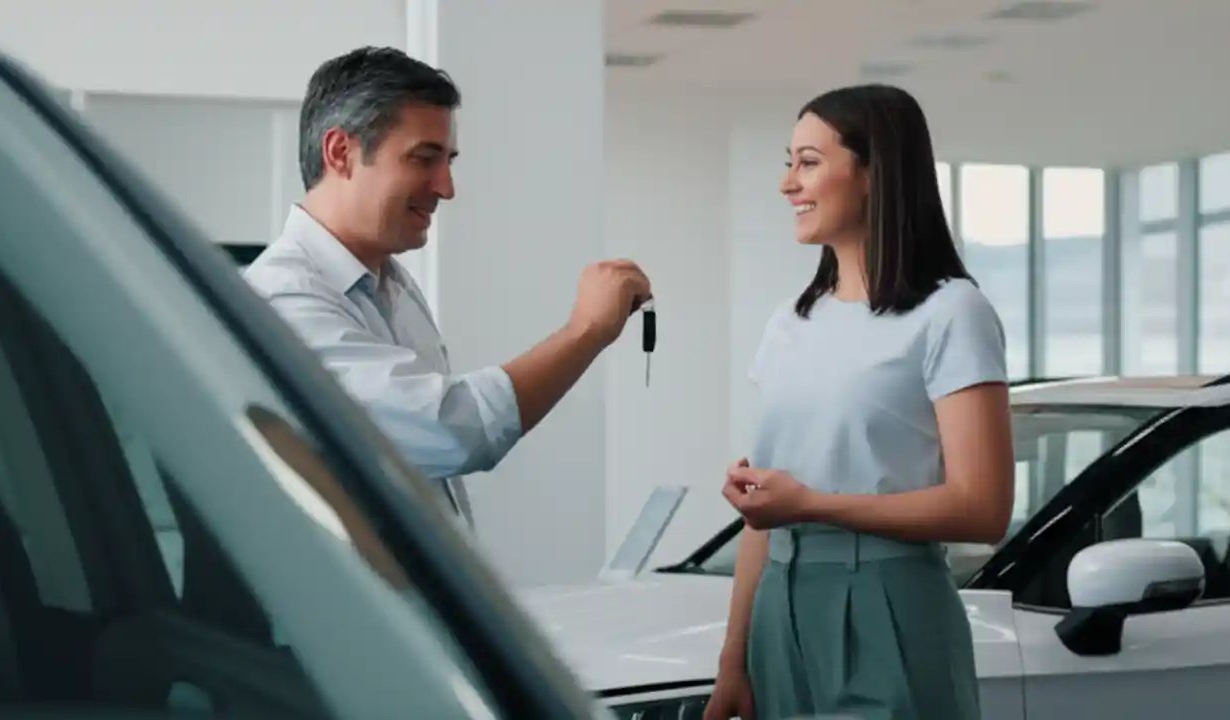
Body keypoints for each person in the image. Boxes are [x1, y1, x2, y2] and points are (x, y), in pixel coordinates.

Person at [703, 84, 1014, 720]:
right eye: (787, 162)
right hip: (777, 610)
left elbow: (982, 508)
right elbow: (765, 515)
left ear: (875, 173)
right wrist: (733, 661)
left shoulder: (952, 311)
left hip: (889, 601)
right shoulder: (792, 320)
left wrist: (811, 504)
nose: (788, 183)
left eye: (809, 162)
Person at [244, 46, 651, 528]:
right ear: (340, 152)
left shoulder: (392, 285)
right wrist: (585, 331)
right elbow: (453, 431)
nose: (446, 187)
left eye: (448, 160)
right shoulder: (283, 299)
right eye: (424, 158)